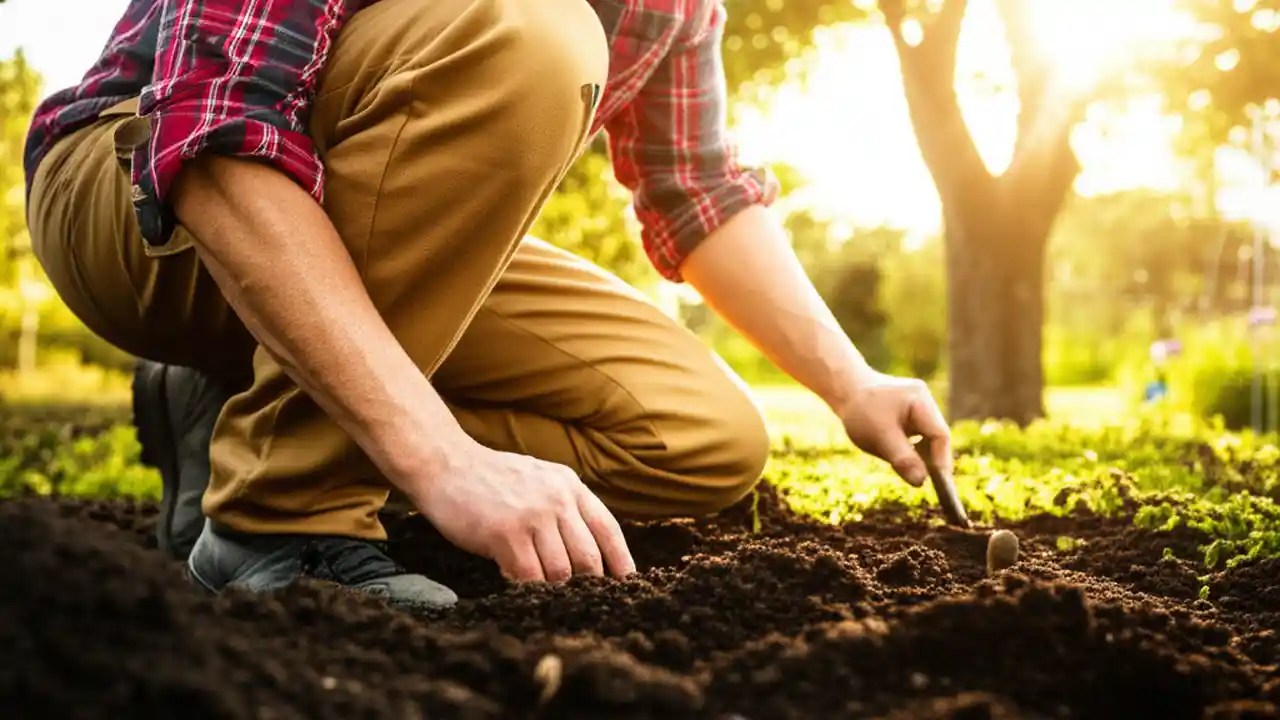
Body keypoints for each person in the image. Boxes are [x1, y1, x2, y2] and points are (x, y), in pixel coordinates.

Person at [23, 0, 953, 612]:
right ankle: (283, 511)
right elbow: (213, 128)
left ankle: (241, 405)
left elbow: (695, 194)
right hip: (138, 190)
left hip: (358, 226)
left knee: (701, 438)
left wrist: (851, 381)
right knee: (532, 37)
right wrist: (439, 460)